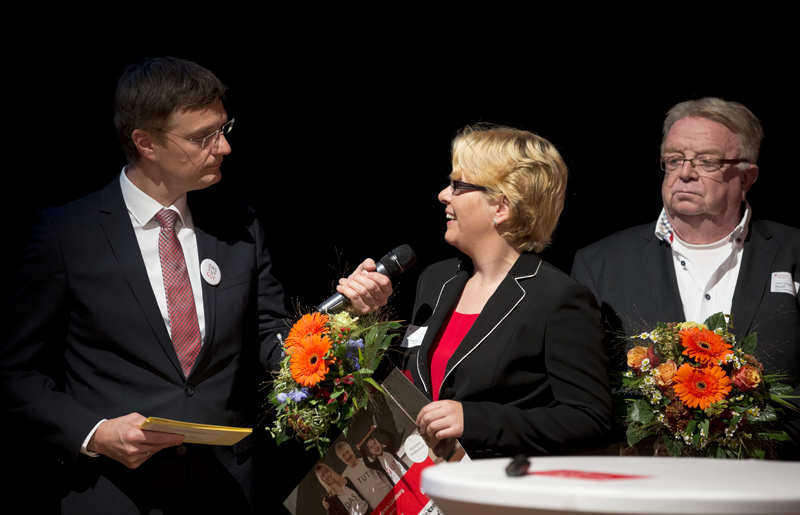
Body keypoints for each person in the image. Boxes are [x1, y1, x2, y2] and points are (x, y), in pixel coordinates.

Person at [0, 57, 391, 513]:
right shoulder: (66, 234)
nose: (223, 147)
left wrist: (340, 318)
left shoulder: (238, 225)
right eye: (202, 137)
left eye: (224, 129)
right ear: (145, 142)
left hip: (225, 490)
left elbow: (272, 339)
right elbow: (14, 372)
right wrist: (95, 433)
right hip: (115, 492)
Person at [570, 97, 800, 455]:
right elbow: (581, 395)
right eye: (674, 159)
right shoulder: (599, 262)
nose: (685, 173)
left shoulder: (793, 252)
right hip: (645, 483)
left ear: (746, 176)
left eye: (706, 161)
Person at [406, 124, 613, 458]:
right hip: (422, 493)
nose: (443, 194)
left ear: (500, 207)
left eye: (458, 185)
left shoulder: (558, 298)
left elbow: (591, 422)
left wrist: (475, 419)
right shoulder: (435, 279)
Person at [335, 441, 391, 509]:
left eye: (347, 452)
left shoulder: (366, 460)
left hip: (389, 496)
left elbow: (383, 476)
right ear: (341, 459)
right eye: (343, 455)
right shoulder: (345, 477)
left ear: (351, 450)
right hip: (377, 510)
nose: (347, 456)